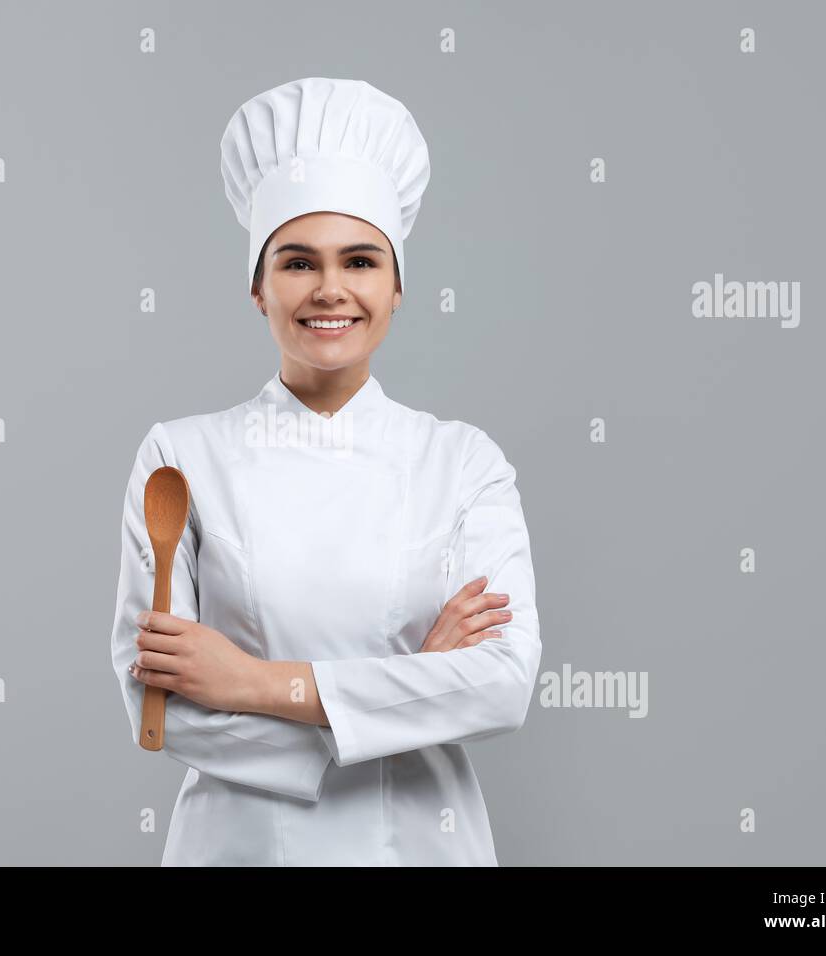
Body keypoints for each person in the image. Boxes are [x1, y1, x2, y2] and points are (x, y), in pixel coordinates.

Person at [109, 77, 541, 866]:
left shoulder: (463, 462)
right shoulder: (179, 458)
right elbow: (156, 707)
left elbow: (501, 682)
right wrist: (408, 693)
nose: (331, 289)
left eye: (361, 261)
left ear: (398, 286)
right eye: (299, 262)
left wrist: (247, 682)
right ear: (258, 286)